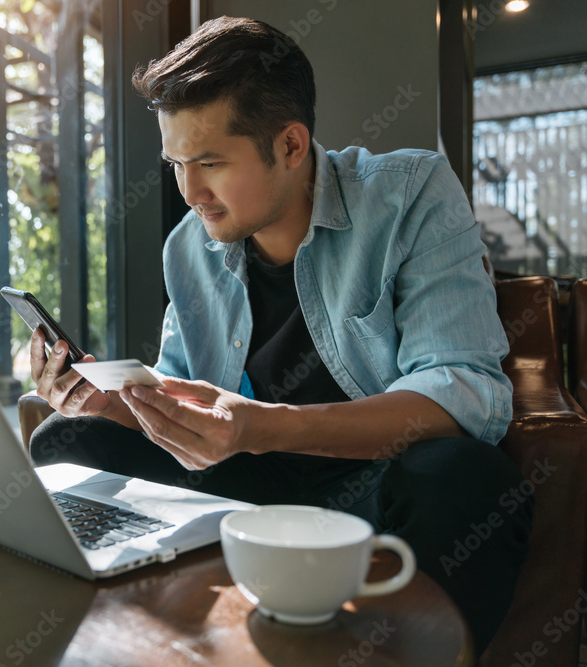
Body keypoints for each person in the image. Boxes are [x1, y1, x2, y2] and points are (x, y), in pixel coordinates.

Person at [28, 16, 531, 655]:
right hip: (242, 478)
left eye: (209, 162)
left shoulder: (411, 195)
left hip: (372, 485)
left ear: (291, 145)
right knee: (69, 439)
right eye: (176, 163)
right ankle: (125, 647)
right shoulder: (189, 246)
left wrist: (268, 426)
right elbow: (180, 386)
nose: (190, 194)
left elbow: (462, 390)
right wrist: (111, 402)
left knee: (463, 480)